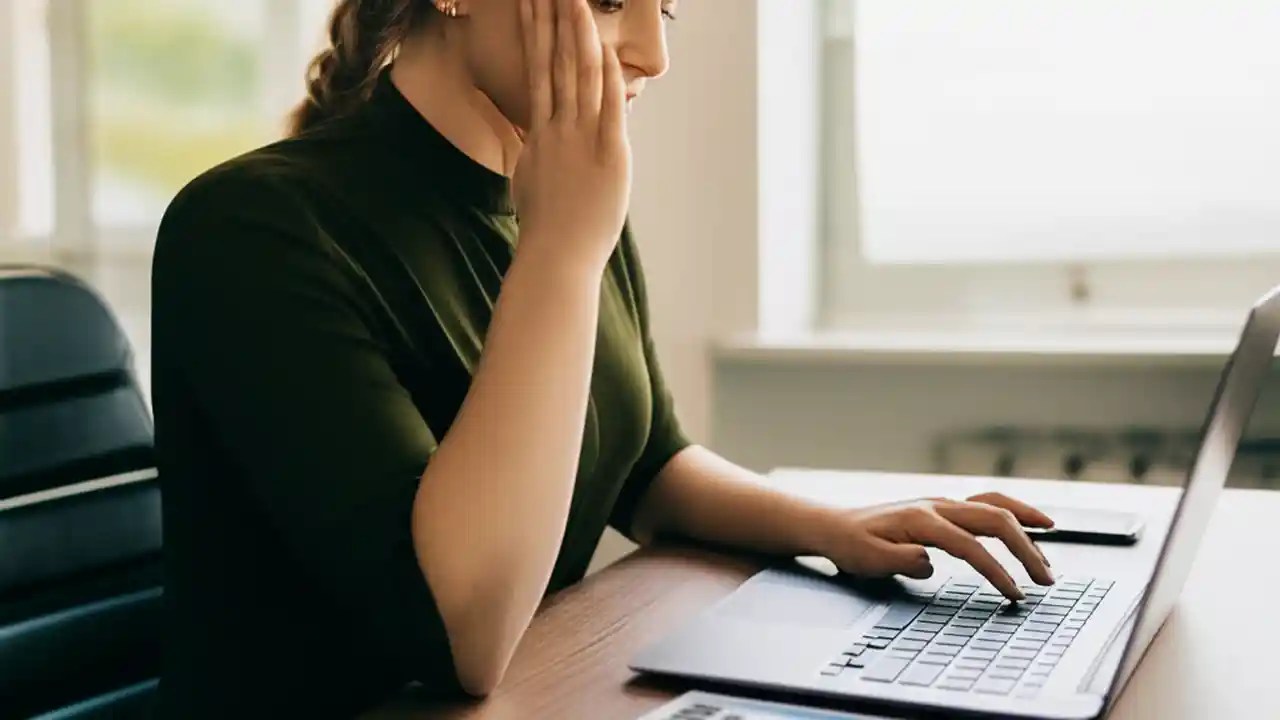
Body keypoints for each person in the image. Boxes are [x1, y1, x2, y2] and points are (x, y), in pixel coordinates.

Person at [150, 0, 1056, 716]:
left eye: (663, 9)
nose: (651, 55)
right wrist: (561, 251)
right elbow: (461, 637)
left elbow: (648, 460)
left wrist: (834, 526)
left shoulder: (562, 191)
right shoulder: (251, 230)